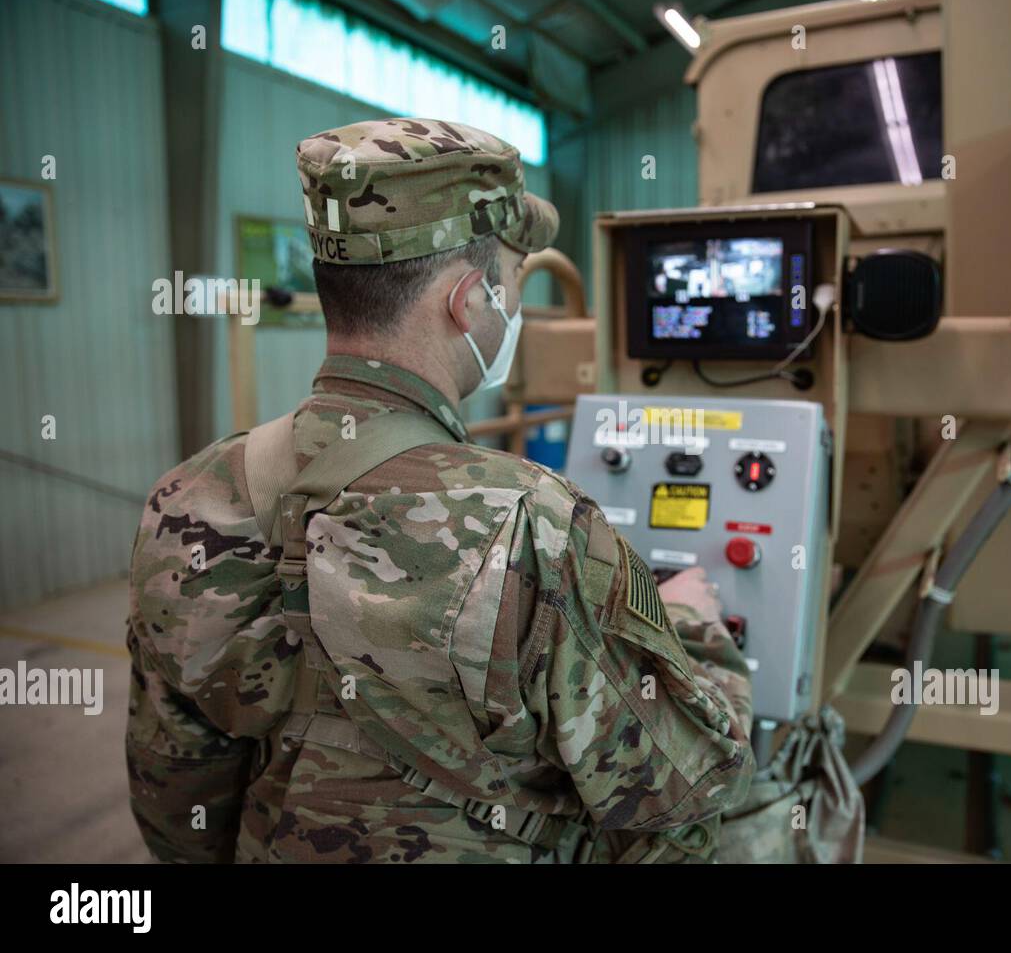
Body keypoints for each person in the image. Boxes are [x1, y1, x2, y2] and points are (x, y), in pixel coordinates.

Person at [125, 118, 754, 863]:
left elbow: (176, 804)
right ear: (468, 300)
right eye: (512, 286)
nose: (513, 310)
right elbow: (685, 788)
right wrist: (696, 629)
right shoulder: (536, 526)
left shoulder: (186, 498)